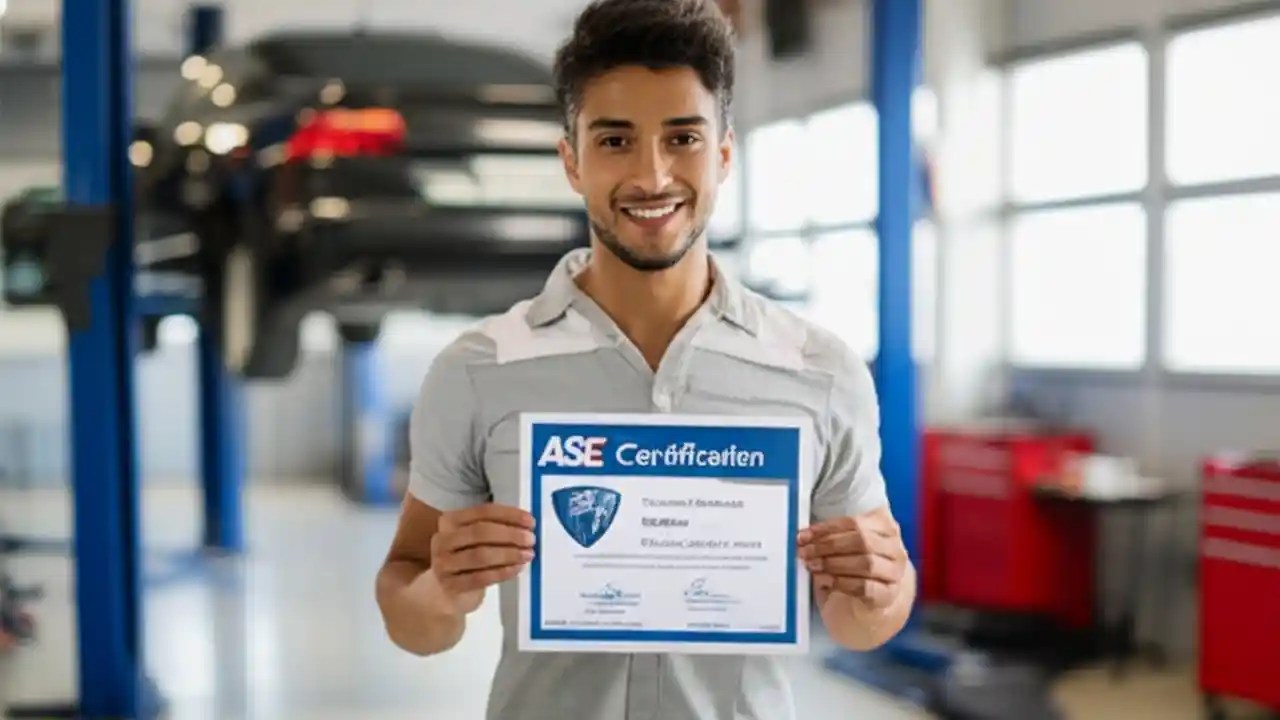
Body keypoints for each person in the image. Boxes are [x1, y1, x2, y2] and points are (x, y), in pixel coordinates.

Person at [375, 1, 916, 717]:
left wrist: (884, 589)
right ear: (572, 161)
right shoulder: (479, 370)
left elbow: (858, 621)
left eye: (683, 137)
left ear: (724, 154)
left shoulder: (819, 372)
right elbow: (411, 613)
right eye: (615, 140)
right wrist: (443, 588)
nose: (652, 175)